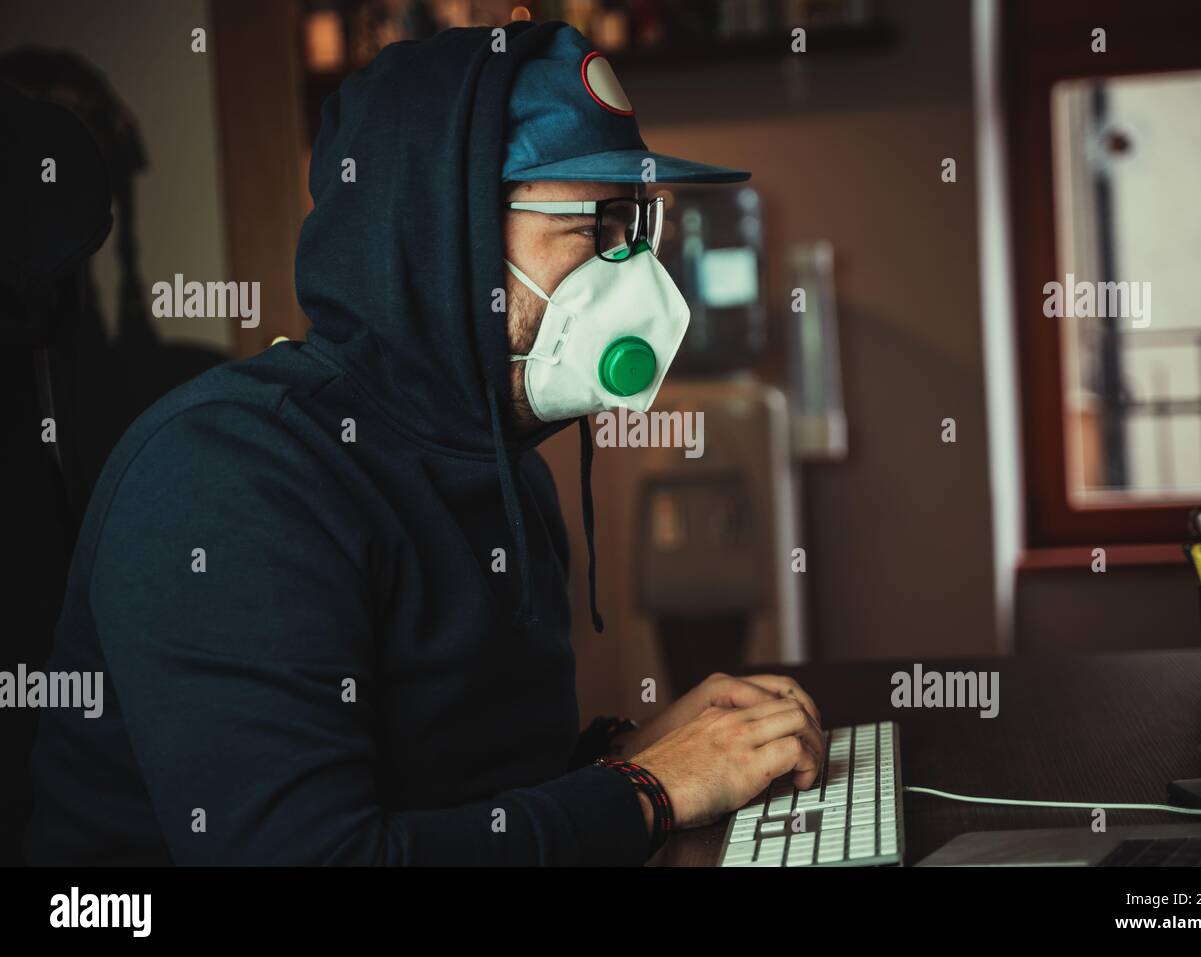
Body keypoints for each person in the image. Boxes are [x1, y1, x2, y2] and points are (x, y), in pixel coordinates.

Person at [24, 20, 823, 865]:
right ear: (449, 232)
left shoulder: (504, 467)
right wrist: (648, 792)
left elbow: (462, 801)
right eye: (599, 227)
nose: (635, 273)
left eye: (640, 228)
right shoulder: (229, 478)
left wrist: (624, 757)